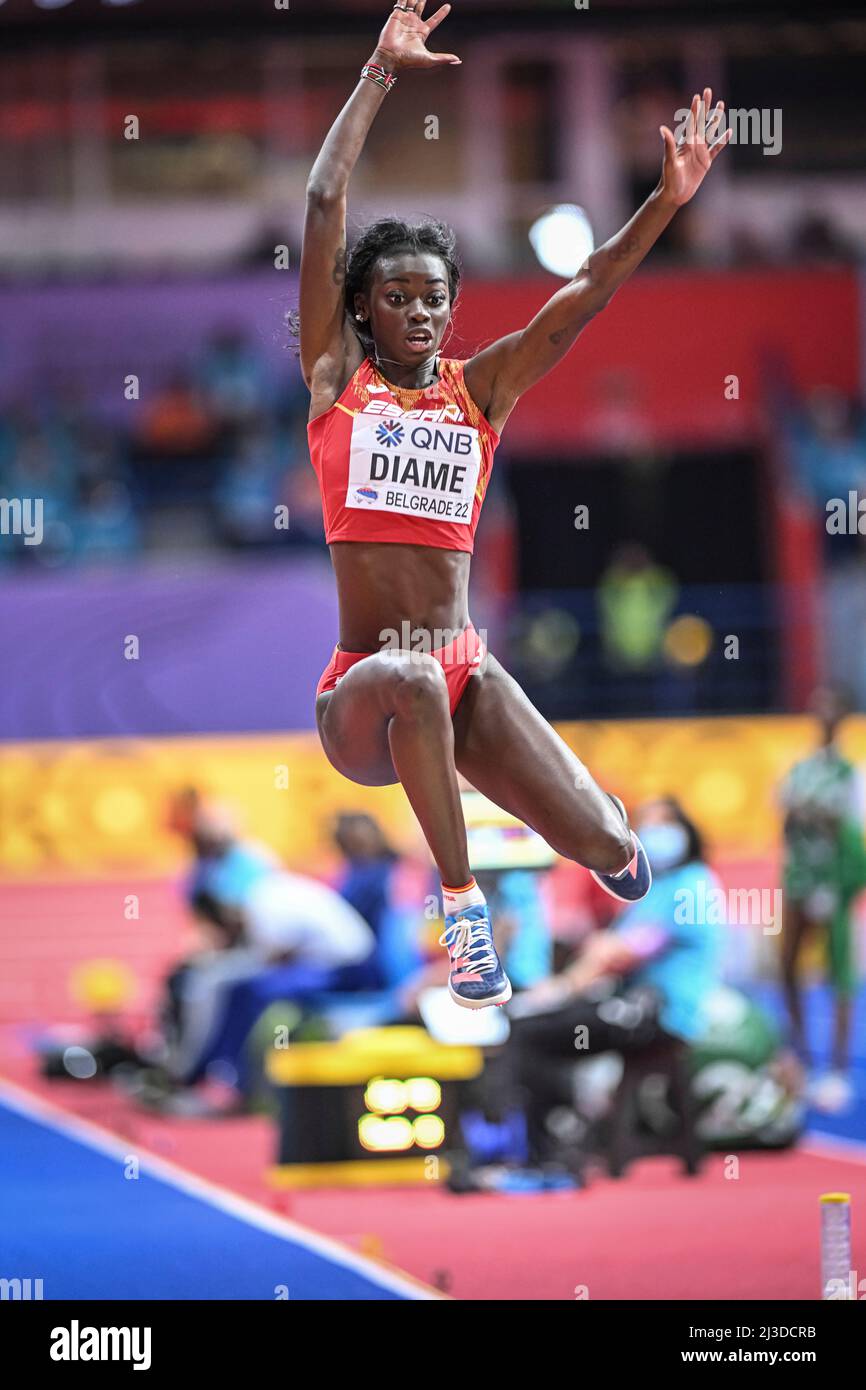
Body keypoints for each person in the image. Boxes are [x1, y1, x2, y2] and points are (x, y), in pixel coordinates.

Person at [299, 1, 730, 1008]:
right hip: (363, 691)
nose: (417, 311)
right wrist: (378, 72)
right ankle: (463, 917)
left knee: (611, 851)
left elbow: (584, 287)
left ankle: (605, 830)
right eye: (397, 296)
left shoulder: (477, 390)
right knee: (407, 667)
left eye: (434, 297)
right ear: (363, 307)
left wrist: (662, 204)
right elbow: (325, 201)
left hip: (463, 676)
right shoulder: (334, 383)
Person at [506, 797, 724, 1164]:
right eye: (647, 825)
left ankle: (553, 1145)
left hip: (659, 1014)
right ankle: (553, 1138)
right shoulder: (658, 888)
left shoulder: (692, 887)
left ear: (686, 830)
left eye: (665, 823)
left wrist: (559, 990)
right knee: (538, 1026)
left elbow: (620, 952)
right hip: (636, 1004)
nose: (656, 834)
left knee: (532, 1031)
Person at [779, 687, 866, 1111]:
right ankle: (803, 1055)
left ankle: (838, 1069)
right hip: (800, 878)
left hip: (834, 882)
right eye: (819, 706)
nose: (824, 713)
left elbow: (852, 831)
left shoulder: (851, 774)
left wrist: (846, 885)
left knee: (840, 972)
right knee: (787, 966)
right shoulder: (799, 768)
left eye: (833, 706)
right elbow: (786, 821)